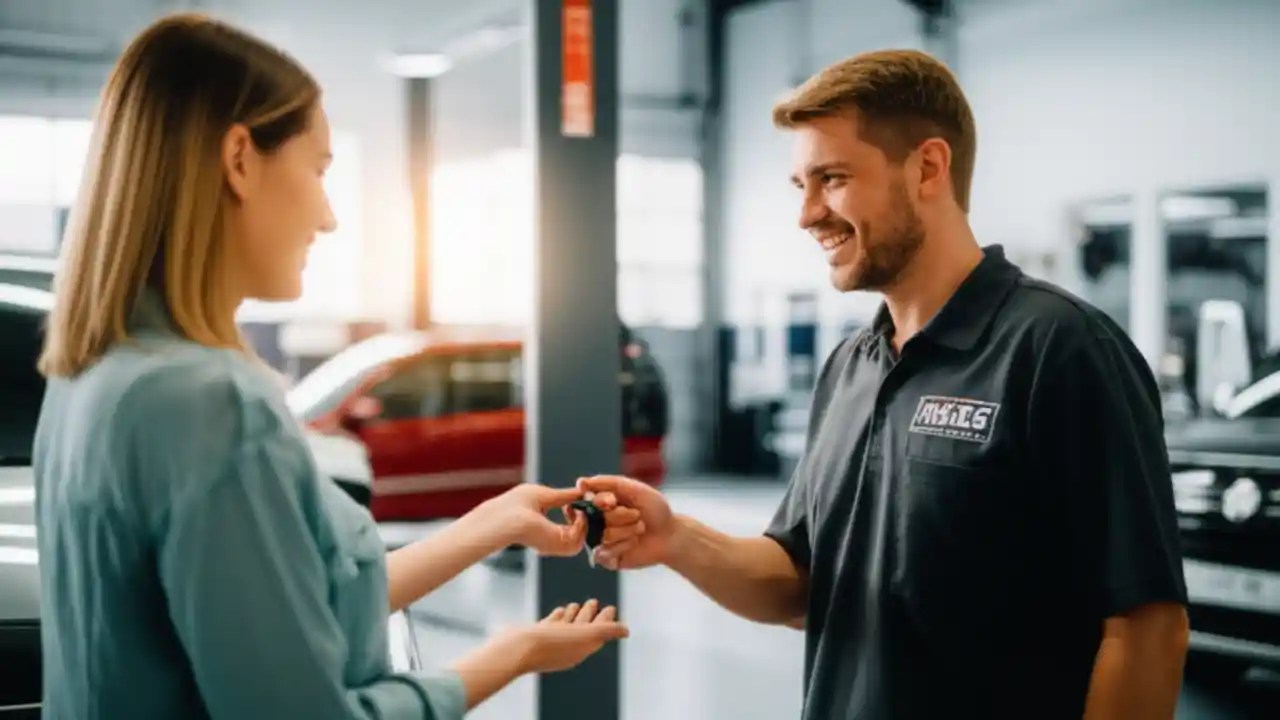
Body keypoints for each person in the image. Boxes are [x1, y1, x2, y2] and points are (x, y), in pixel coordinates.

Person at [33, 14, 636, 719]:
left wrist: (492, 523)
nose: (328, 216)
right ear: (238, 159)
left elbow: (292, 604)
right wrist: (516, 654)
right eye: (318, 170)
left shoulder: (92, 374)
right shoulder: (210, 402)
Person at [579, 49, 1190, 719]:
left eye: (832, 179)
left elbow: (1146, 628)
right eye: (800, 186)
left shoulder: (1059, 349)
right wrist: (677, 540)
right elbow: (801, 584)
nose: (807, 213)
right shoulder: (850, 367)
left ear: (928, 167)